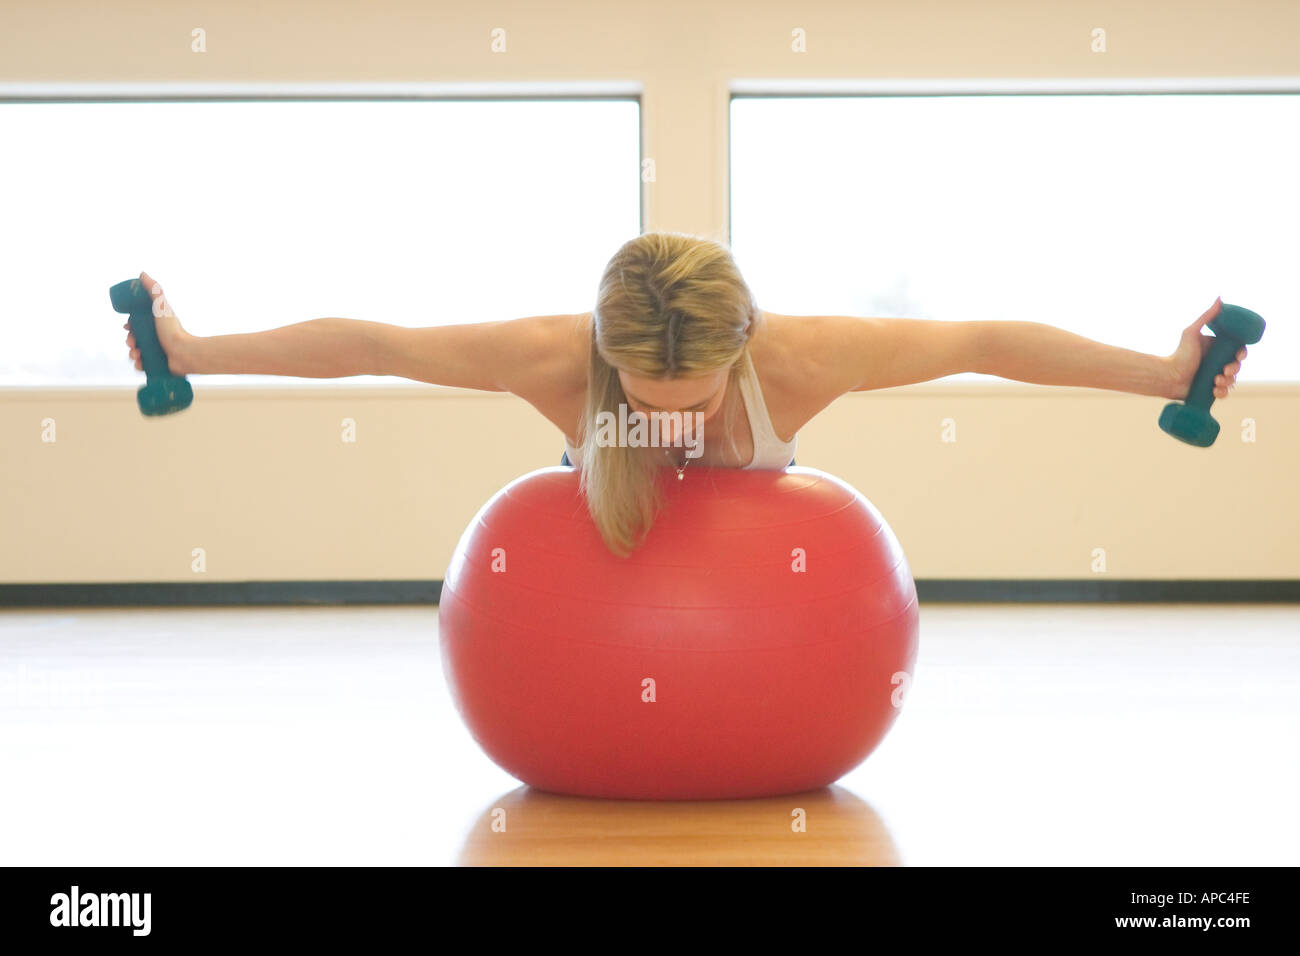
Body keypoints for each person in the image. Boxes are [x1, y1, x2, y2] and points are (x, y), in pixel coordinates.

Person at [124, 232, 1247, 557]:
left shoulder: (802, 356)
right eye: (646, 396)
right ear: (606, 353)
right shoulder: (553, 355)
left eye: (692, 397)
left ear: (743, 344)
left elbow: (985, 339)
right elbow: (374, 341)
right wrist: (195, 350)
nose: (667, 421)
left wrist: (1161, 372)